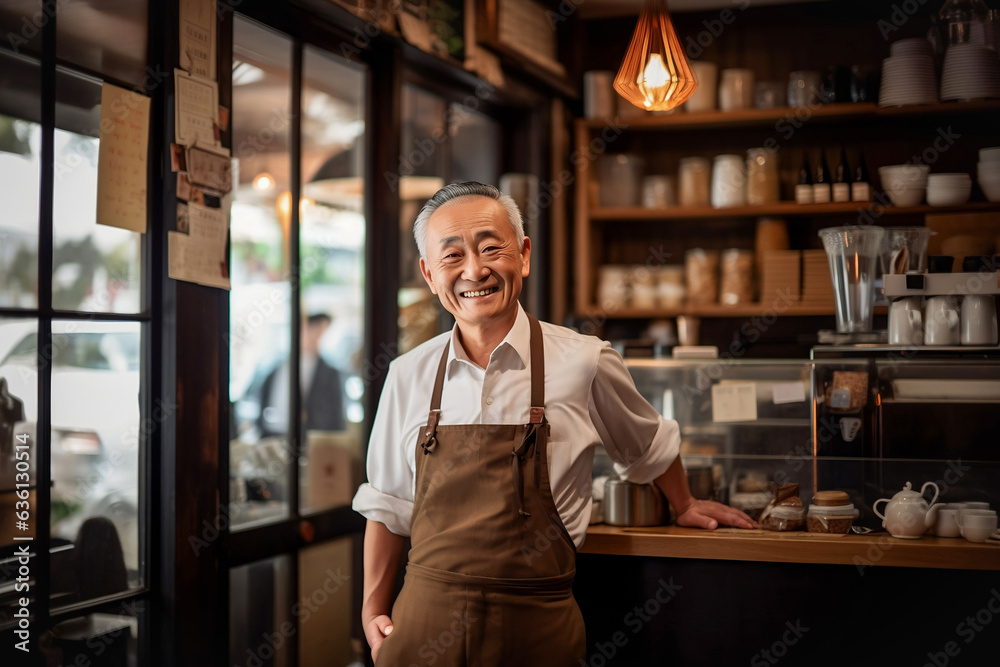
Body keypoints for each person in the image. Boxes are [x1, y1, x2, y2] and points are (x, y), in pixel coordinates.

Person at [351, 182, 756, 666]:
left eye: (490, 247)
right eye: (452, 256)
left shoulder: (585, 360)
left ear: (522, 255)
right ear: (430, 274)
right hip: (423, 622)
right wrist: (372, 608)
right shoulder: (407, 373)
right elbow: (388, 503)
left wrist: (684, 502)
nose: (474, 270)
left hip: (537, 622)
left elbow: (646, 446)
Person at [256, 312, 345, 438]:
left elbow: (335, 417)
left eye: (322, 332)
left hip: (309, 441)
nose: (317, 336)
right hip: (272, 437)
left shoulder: (330, 373)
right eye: (313, 330)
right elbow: (263, 403)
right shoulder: (276, 367)